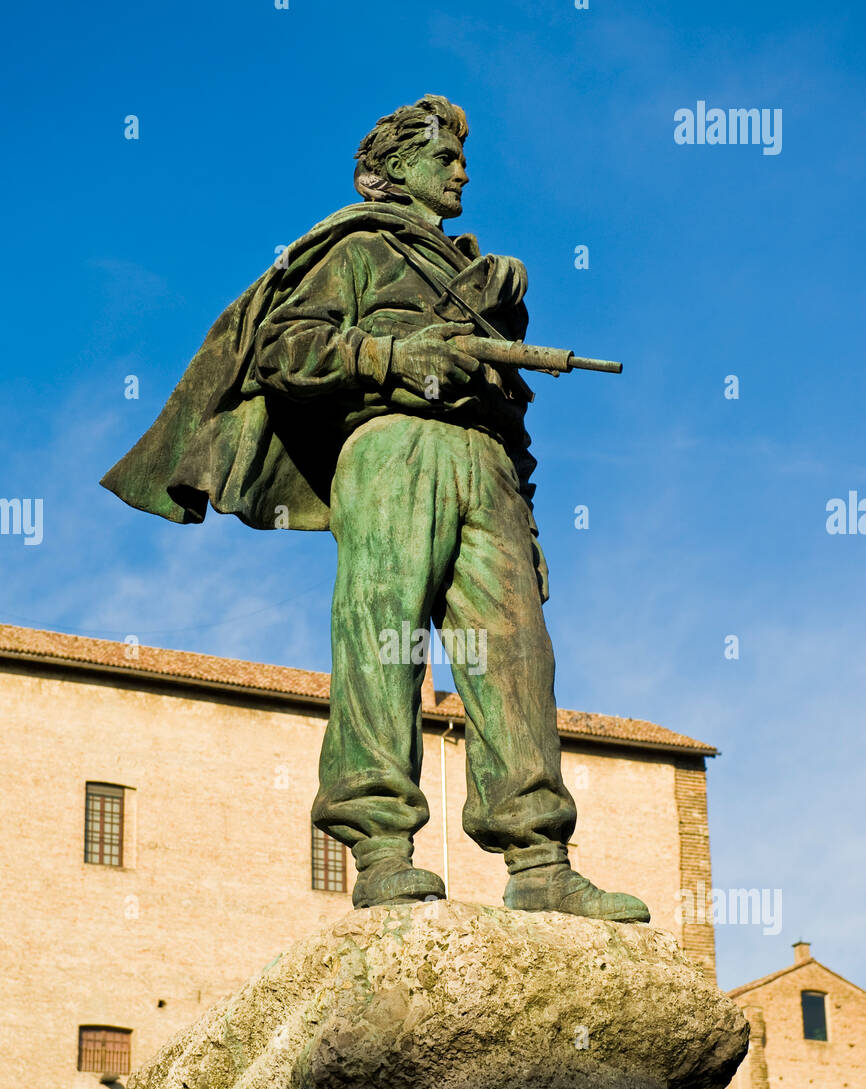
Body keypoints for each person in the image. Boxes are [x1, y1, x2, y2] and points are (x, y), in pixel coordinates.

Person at [101, 94, 649, 921]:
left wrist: (529, 522)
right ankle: (382, 847)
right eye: (443, 156)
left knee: (517, 656)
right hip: (392, 448)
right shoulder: (355, 247)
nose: (461, 169)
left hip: (488, 465)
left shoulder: (482, 281)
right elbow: (285, 351)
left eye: (464, 159)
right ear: (394, 169)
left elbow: (513, 408)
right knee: (380, 635)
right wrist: (397, 352)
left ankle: (540, 858)